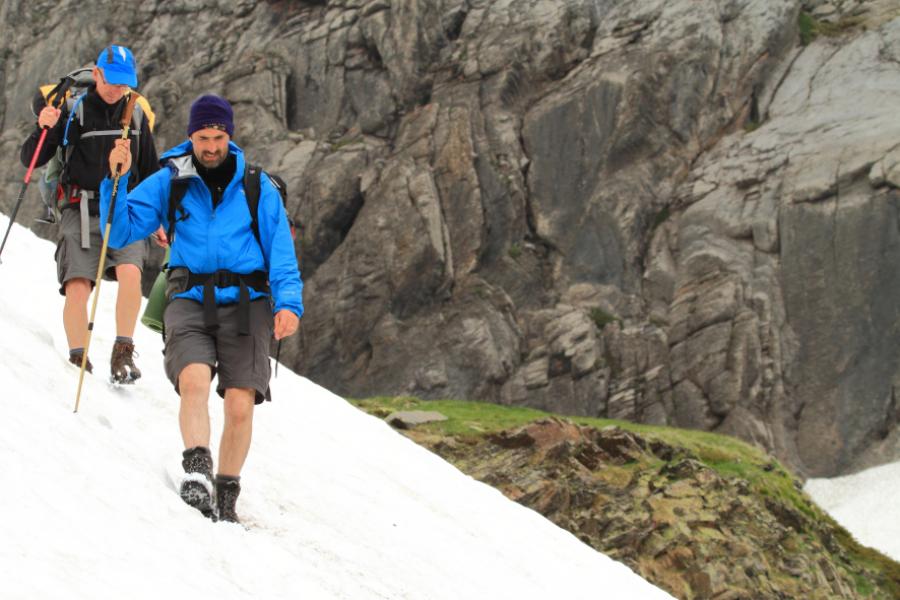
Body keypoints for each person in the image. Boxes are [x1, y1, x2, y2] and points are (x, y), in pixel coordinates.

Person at [101, 94, 303, 523]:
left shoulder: (257, 186)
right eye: (202, 137)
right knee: (193, 380)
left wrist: (289, 305)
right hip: (188, 297)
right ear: (190, 135)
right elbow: (119, 230)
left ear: (229, 135)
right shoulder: (168, 180)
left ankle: (226, 494)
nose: (210, 146)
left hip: (249, 302)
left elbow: (281, 251)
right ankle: (197, 472)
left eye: (218, 136)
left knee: (240, 404)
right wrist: (114, 181)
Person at [19, 45, 159, 382]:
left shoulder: (136, 114)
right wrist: (44, 128)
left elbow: (151, 172)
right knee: (77, 284)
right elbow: (31, 159)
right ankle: (78, 359)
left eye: (124, 83)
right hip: (79, 207)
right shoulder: (73, 110)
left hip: (124, 206)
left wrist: (160, 219)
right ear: (96, 74)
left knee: (130, 273)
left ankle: (123, 353)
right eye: (111, 81)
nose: (117, 89)